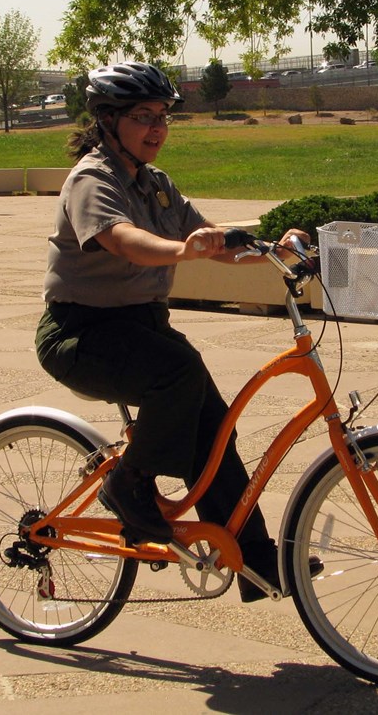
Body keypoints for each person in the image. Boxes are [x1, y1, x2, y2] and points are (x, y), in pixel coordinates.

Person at [35, 62, 317, 603]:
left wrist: (270, 250)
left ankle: (255, 557)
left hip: (141, 327)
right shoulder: (92, 180)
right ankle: (127, 484)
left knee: (214, 429)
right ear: (108, 120)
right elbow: (121, 239)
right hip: (79, 332)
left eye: (163, 117)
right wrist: (181, 251)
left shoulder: (157, 185)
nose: (157, 128)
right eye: (143, 117)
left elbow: (208, 239)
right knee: (179, 373)